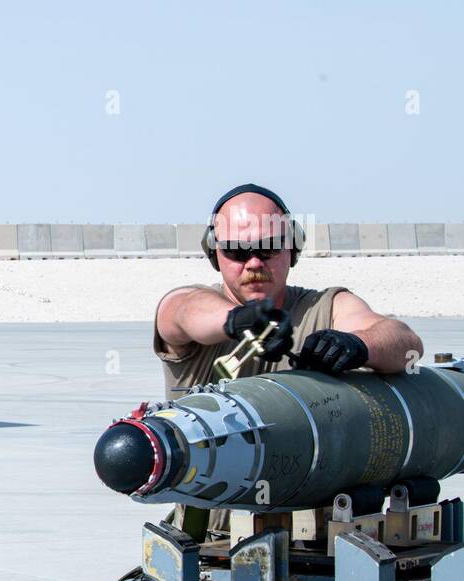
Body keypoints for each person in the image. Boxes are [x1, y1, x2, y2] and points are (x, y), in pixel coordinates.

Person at [153, 183, 424, 541]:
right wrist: (238, 320)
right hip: (212, 540)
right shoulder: (196, 306)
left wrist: (359, 345)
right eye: (236, 251)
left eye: (267, 248)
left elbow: (405, 344)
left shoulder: (325, 308)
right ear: (214, 254)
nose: (253, 263)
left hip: (315, 541)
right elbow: (181, 311)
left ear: (291, 249)